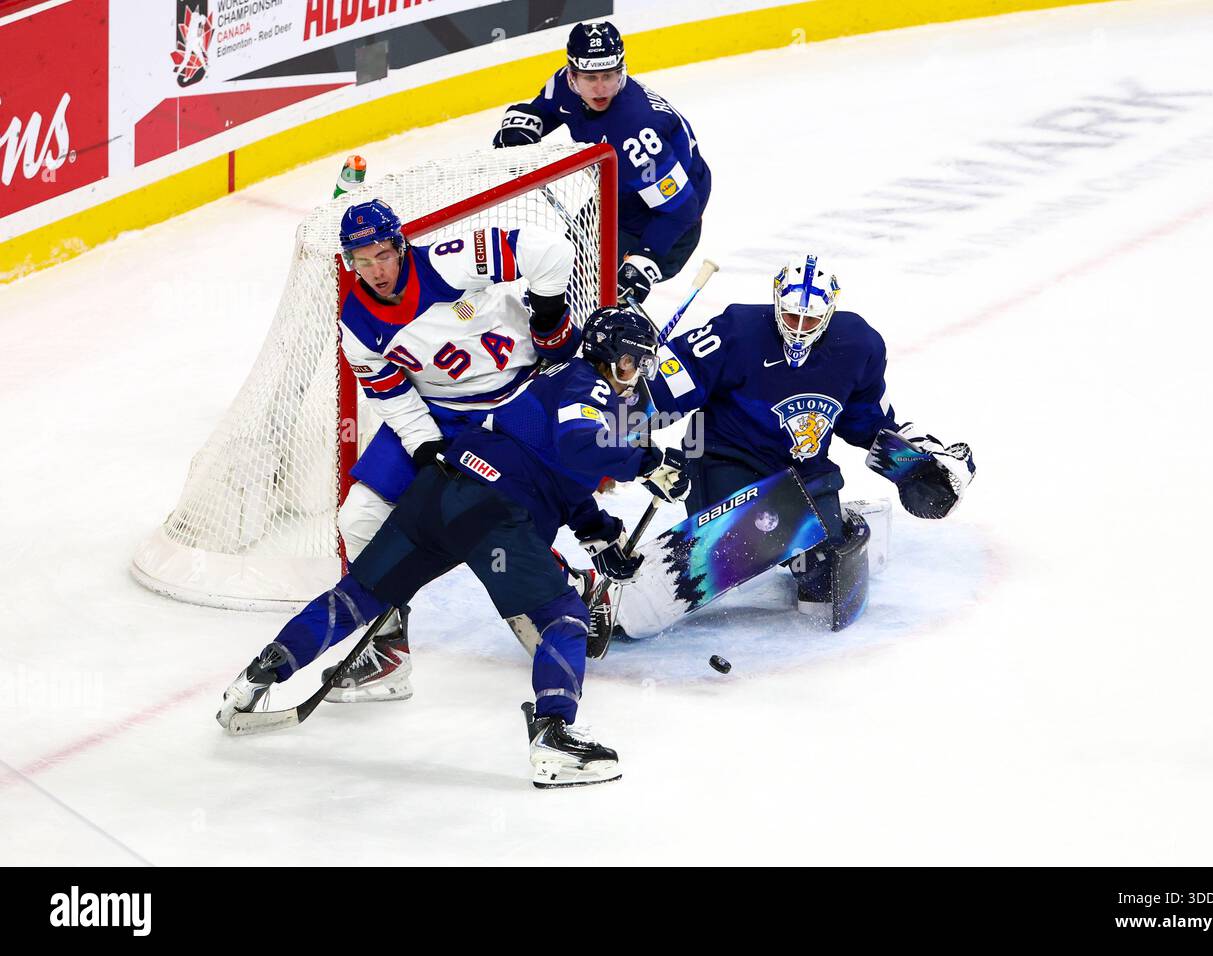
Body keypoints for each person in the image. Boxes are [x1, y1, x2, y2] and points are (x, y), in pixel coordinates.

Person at [216, 308, 691, 788]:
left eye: (642, 367)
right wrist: (647, 461)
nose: (635, 377)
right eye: (631, 363)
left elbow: (559, 476)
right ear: (607, 358)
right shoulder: (588, 384)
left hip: (440, 491)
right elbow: (575, 447)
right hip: (493, 514)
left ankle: (258, 677)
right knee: (565, 617)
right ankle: (554, 738)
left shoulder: (562, 381)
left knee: (360, 595)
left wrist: (600, 536)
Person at [614, 254, 976, 636]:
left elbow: (864, 422)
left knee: (827, 584)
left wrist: (912, 462)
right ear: (776, 303)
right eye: (791, 317)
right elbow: (668, 389)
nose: (799, 329)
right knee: (753, 529)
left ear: (830, 312)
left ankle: (837, 524)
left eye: (810, 320)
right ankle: (631, 601)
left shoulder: (859, 345)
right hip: (725, 460)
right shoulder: (737, 331)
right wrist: (628, 411)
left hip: (802, 474)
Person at [328, 198, 586, 703]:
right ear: (348, 262)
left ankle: (559, 589)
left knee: (500, 515)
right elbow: (392, 393)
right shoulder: (357, 322)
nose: (376, 270)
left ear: (401, 247)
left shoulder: (449, 260)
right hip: (442, 412)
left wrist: (550, 315)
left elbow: (548, 249)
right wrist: (426, 447)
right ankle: (387, 651)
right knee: (358, 518)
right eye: (363, 260)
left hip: (518, 396)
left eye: (383, 254)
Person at [492, 20, 710, 307]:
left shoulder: (636, 129)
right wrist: (525, 126)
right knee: (559, 274)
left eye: (608, 75)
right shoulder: (563, 84)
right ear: (572, 75)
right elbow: (544, 110)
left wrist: (644, 258)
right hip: (616, 198)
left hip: (663, 224)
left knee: (595, 306)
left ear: (622, 70)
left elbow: (680, 210)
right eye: (590, 78)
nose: (600, 88)